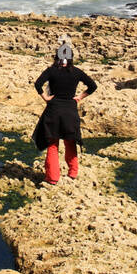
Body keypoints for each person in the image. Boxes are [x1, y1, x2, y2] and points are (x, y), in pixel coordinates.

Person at [32, 37, 97, 186]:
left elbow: (37, 84)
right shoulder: (76, 72)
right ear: (71, 58)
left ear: (57, 57)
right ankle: (73, 173)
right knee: (70, 142)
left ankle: (53, 178)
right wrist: (79, 97)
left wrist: (46, 98)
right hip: (70, 112)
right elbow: (93, 86)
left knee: (53, 145)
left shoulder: (51, 70)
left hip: (53, 111)